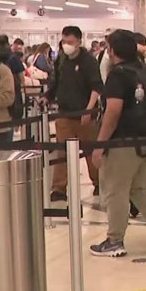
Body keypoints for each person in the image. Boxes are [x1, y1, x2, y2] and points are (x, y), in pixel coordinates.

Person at [88, 30, 146, 257]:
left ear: (112, 51)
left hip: (124, 143)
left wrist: (100, 145)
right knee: (137, 187)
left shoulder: (118, 75)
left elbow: (112, 112)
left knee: (115, 189)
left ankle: (114, 240)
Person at [44, 26, 103, 201]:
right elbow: (56, 82)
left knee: (89, 151)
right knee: (62, 152)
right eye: (64, 41)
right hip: (64, 113)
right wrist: (47, 97)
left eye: (70, 42)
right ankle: (59, 188)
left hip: (85, 115)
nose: (66, 45)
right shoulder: (61, 59)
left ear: (78, 41)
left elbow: (96, 87)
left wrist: (89, 109)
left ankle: (99, 182)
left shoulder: (88, 61)